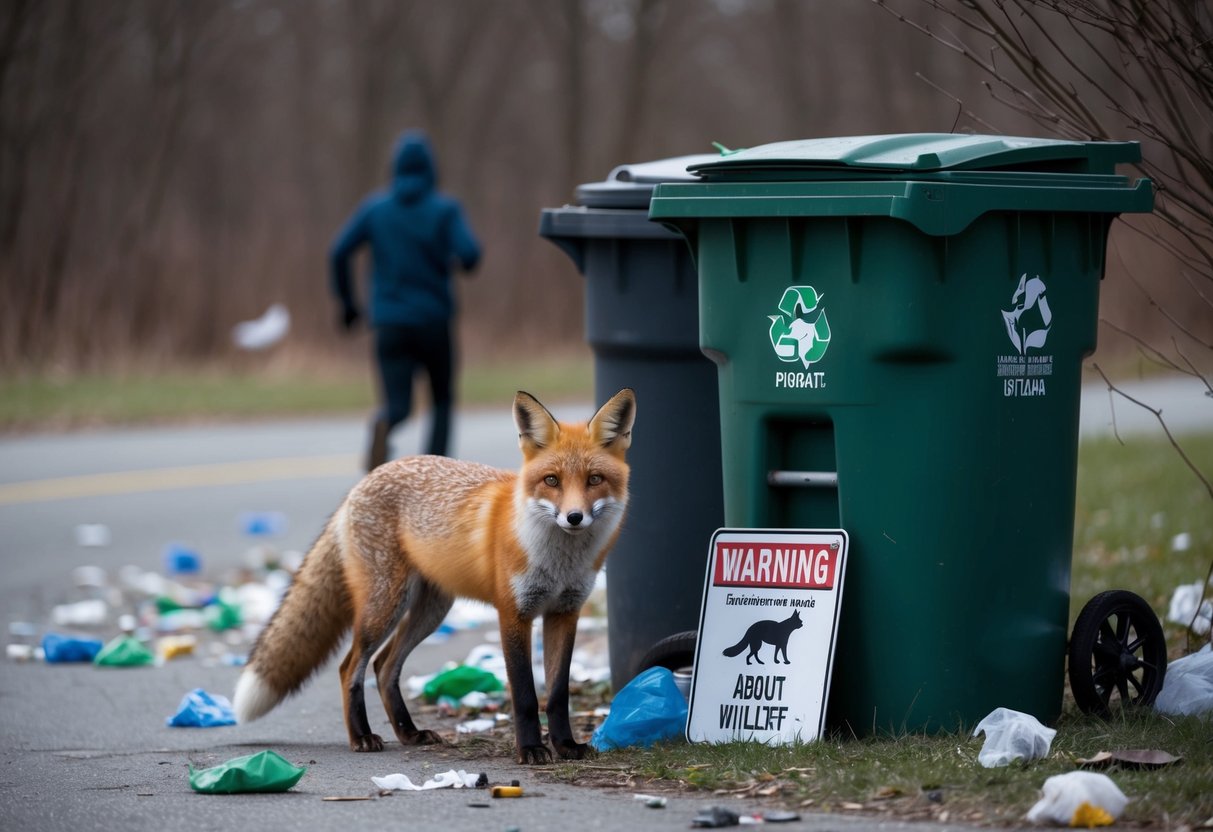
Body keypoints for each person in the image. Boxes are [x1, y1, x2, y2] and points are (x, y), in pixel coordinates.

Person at [330, 130, 482, 471]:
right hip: (433, 321)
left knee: (399, 404)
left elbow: (338, 253)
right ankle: (434, 472)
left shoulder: (375, 210)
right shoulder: (445, 210)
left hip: (389, 322)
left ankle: (385, 422)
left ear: (394, 169)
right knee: (441, 400)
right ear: (431, 169)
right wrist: (447, 259)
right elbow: (471, 255)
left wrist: (348, 306)